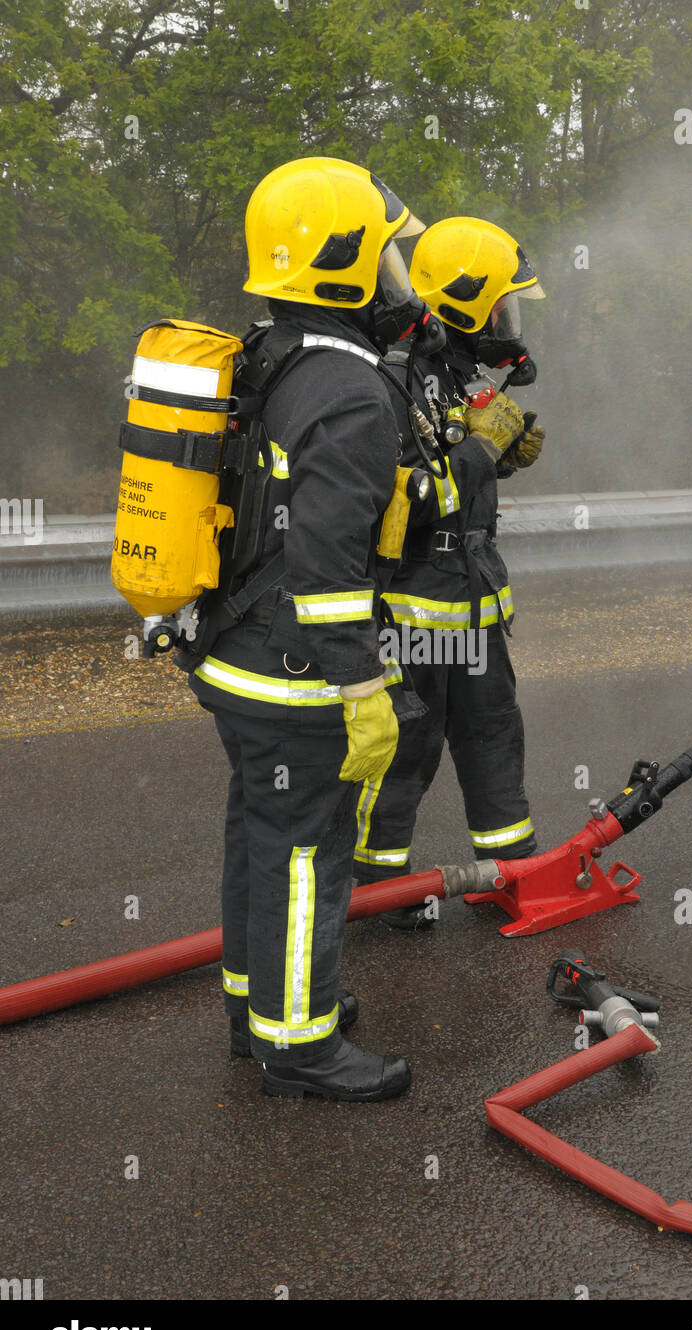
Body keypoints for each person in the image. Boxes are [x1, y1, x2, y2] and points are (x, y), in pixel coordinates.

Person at [188, 157, 437, 1100]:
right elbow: (327, 568)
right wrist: (364, 688)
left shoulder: (272, 352)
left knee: (258, 825)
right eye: (387, 258)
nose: (398, 281)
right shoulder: (351, 391)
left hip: (236, 658)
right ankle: (298, 1046)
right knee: (306, 851)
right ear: (343, 266)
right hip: (294, 673)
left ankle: (259, 1003)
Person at [352, 216, 547, 927]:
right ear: (469, 304)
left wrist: (503, 452)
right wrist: (480, 454)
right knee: (409, 749)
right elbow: (410, 501)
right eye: (503, 302)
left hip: (474, 600)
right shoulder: (397, 377)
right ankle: (379, 900)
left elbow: (461, 485)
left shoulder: (459, 374)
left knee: (495, 734)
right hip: (414, 610)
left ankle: (514, 876)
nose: (510, 319)